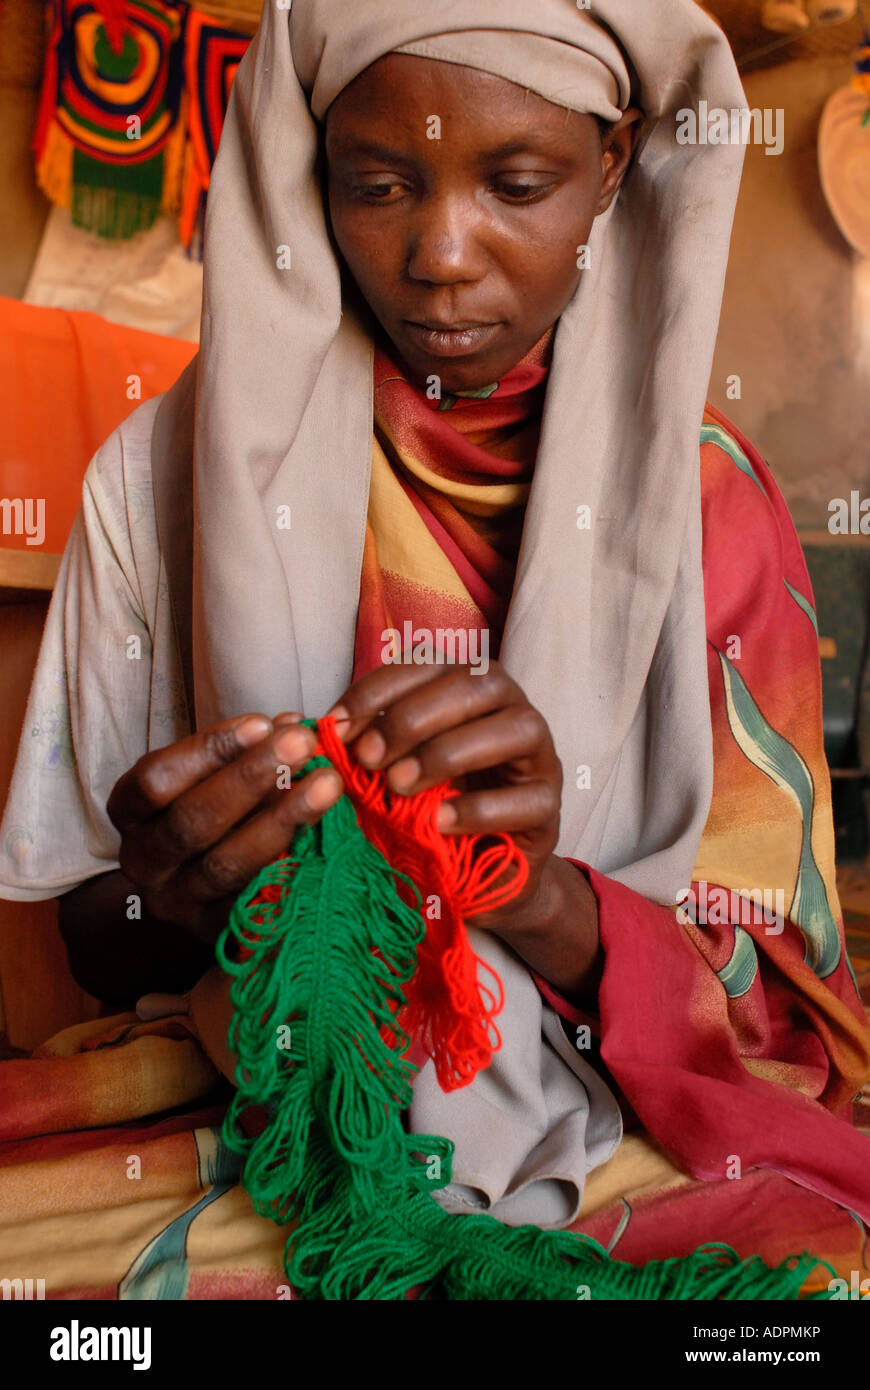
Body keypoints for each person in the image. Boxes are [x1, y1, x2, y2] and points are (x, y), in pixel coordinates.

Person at [2, 0, 869, 1244]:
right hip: (265, 1083)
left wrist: (539, 894)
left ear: (614, 164)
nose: (444, 253)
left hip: (629, 1106)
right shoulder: (162, 480)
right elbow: (103, 946)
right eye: (378, 184)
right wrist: (182, 897)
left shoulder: (712, 507)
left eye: (518, 184)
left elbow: (791, 1017)